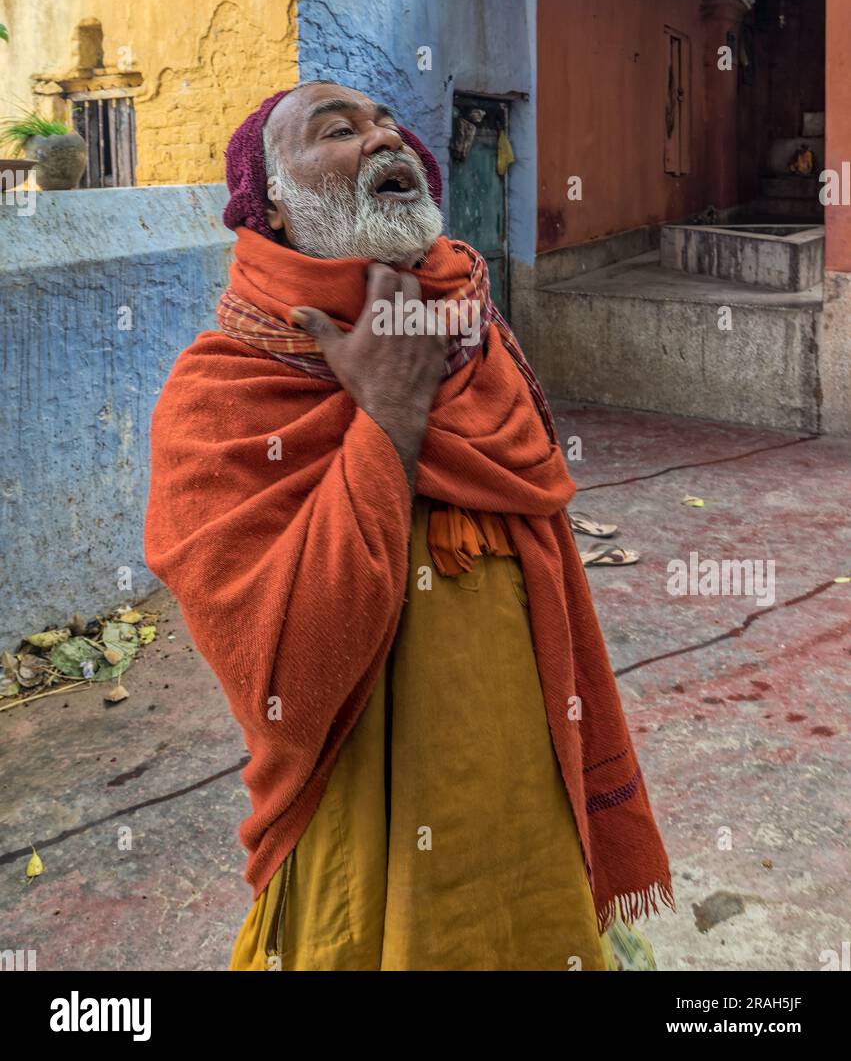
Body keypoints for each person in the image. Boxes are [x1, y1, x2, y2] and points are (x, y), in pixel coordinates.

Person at [144, 81, 672, 971]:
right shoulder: (221, 396)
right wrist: (388, 412)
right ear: (272, 198)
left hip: (529, 797)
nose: (384, 138)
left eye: (388, 124)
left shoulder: (468, 334)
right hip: (367, 827)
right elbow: (285, 681)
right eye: (338, 130)